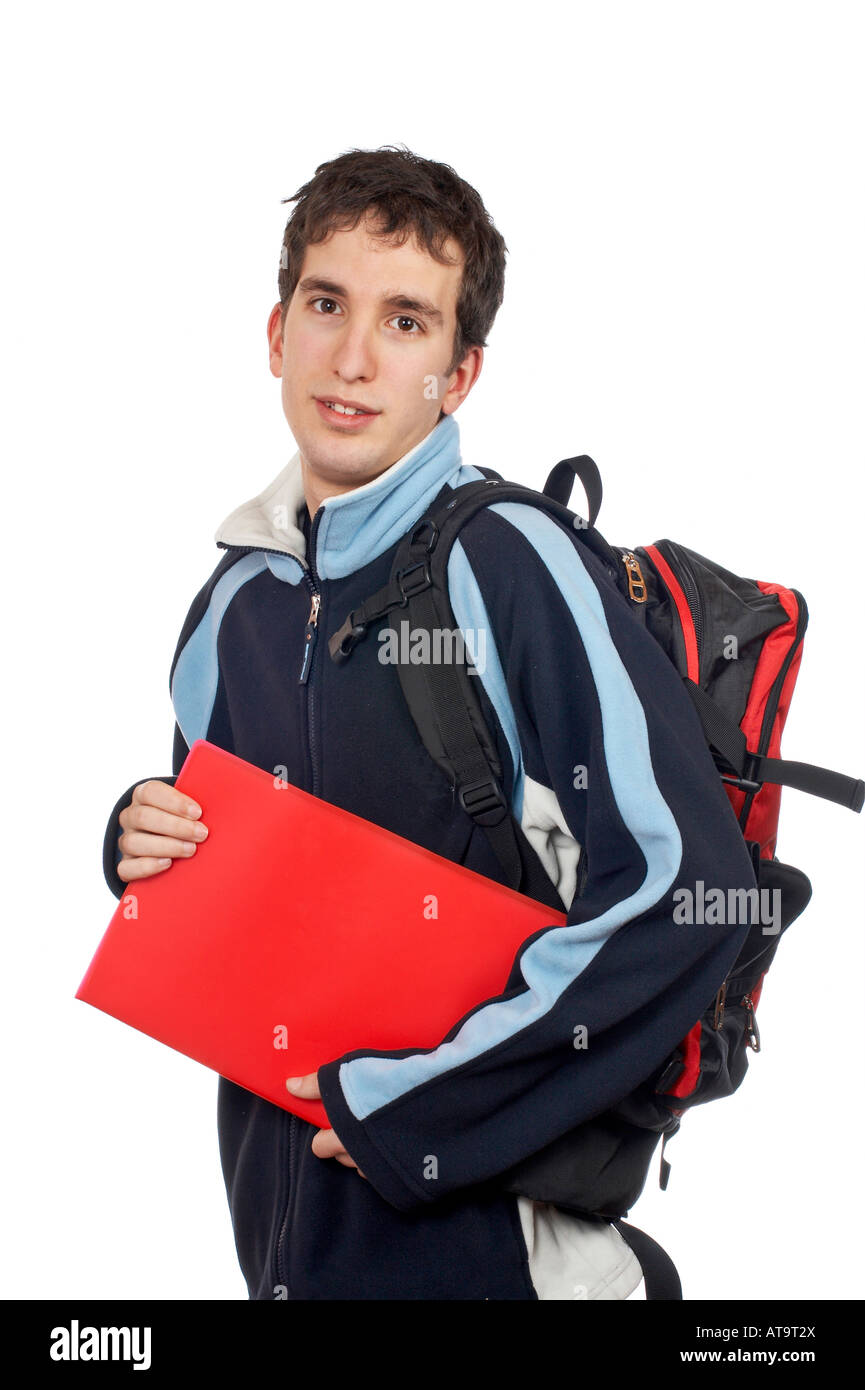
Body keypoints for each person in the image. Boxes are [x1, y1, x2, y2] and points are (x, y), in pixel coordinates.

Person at [101, 144, 757, 1300]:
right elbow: (228, 906)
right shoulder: (231, 605)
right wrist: (135, 841)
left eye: (406, 322)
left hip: (507, 1263)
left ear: (456, 375)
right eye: (326, 304)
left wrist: (418, 1106)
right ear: (275, 335)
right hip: (288, 1252)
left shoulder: (510, 562)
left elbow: (681, 889)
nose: (352, 358)